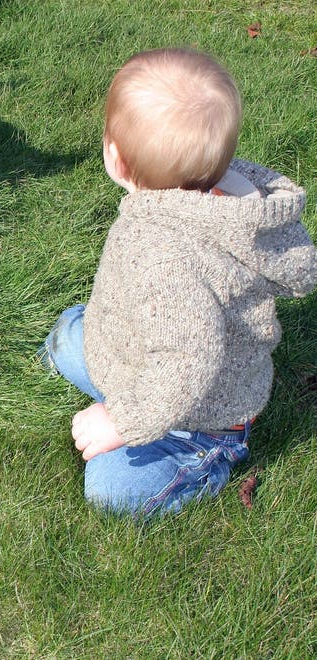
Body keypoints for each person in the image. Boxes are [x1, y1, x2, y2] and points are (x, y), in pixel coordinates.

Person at [39, 47, 317, 518]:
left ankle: (206, 461)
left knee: (111, 490)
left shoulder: (167, 257)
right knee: (69, 339)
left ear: (115, 158)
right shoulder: (220, 194)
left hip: (201, 413)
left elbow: (189, 364)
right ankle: (122, 388)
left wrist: (120, 422)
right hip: (147, 356)